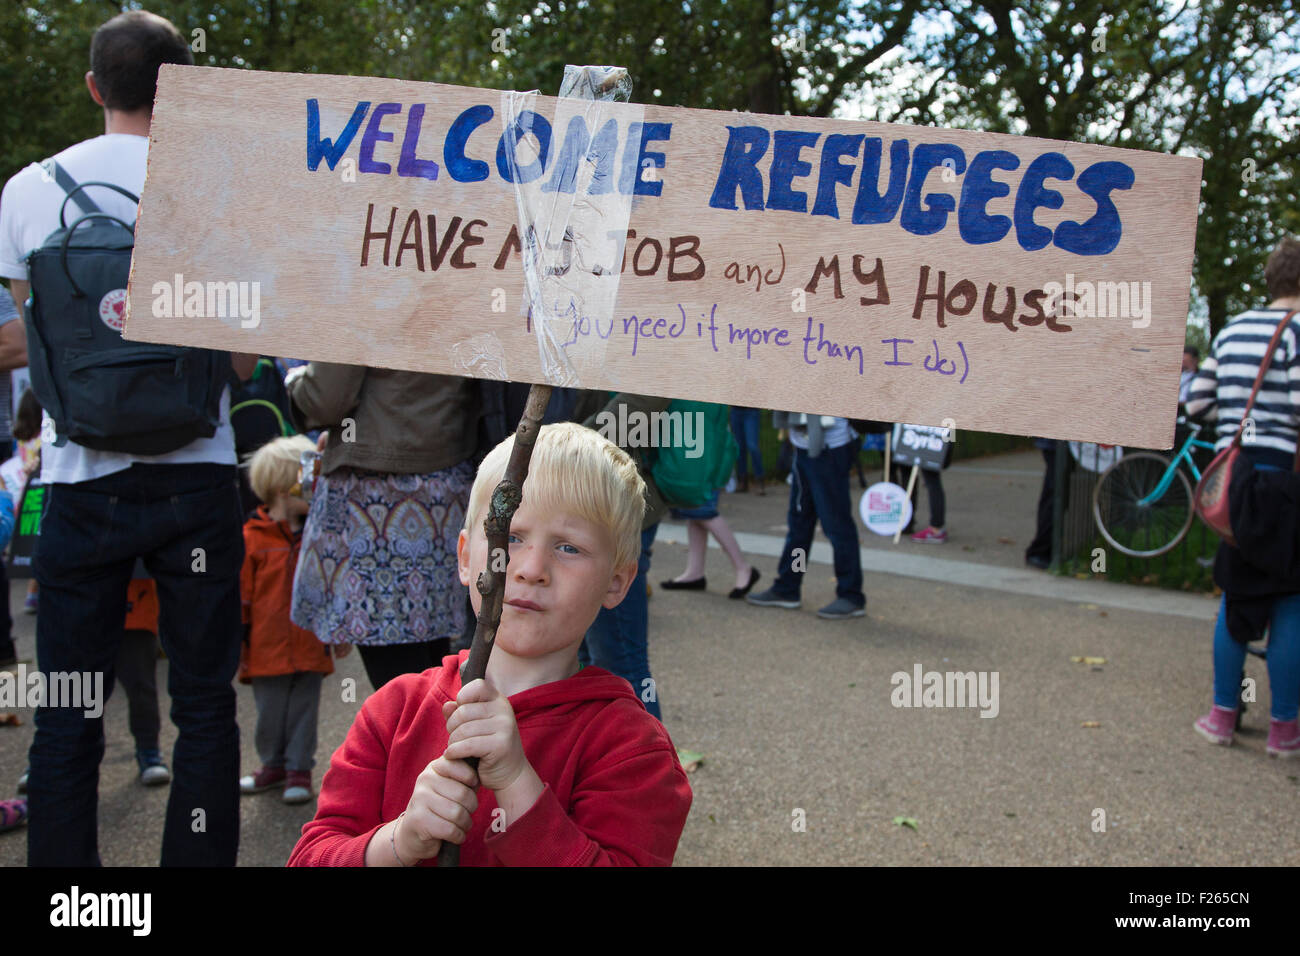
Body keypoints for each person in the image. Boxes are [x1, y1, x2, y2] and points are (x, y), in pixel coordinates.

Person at [0, 9, 257, 867]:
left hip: (80, 480)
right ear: (180, 88)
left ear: (92, 87)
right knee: (205, 707)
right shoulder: (220, 188)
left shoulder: (28, 191)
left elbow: (39, 338)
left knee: (68, 712)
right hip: (196, 481)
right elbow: (245, 363)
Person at [286, 422, 692, 866]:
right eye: (510, 538)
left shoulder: (631, 748)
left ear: (617, 583)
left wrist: (518, 784)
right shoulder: (393, 712)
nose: (530, 568)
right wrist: (399, 841)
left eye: (569, 548)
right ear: (464, 557)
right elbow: (312, 855)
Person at [286, 362, 479, 691]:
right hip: (446, 486)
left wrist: (295, 381)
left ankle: (418, 740)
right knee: (434, 664)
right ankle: (437, 737)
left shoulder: (365, 306)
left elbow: (327, 397)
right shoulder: (456, 306)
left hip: (374, 498)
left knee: (400, 685)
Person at [1186, 236, 1300, 758]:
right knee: (1290, 603)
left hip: (1235, 485)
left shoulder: (1232, 332)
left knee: (1236, 600)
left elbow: (1197, 403)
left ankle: (1221, 717)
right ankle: (1284, 730)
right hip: (1284, 484)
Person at [239, 435, 346, 804]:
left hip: (310, 644)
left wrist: (340, 630)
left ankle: (299, 769)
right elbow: (243, 596)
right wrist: (239, 641)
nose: (317, 489)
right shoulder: (252, 538)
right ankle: (272, 764)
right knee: (269, 712)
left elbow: (333, 582)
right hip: (265, 647)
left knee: (303, 709)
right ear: (287, 488)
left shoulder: (317, 536)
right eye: (308, 481)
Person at [573, 392, 669, 720]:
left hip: (613, 505)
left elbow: (649, 393)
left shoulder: (639, 344)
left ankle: (650, 767)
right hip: (584, 504)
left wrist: (555, 448)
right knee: (585, 657)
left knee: (621, 663)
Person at [747, 413, 866, 619]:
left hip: (830, 448)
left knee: (836, 527)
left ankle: (851, 594)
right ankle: (789, 586)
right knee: (800, 525)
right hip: (806, 447)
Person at [730, 406, 765, 495]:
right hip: (735, 410)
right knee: (739, 447)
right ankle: (742, 480)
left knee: (752, 446)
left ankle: (759, 479)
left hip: (751, 410)